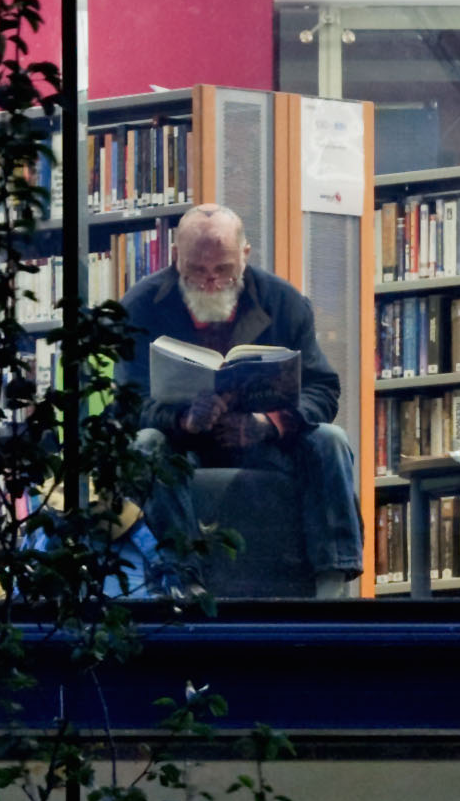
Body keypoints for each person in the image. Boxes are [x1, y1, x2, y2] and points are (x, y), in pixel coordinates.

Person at [118, 198, 360, 597]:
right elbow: (126, 404)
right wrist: (182, 420)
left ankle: (332, 583)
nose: (210, 282)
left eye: (223, 270)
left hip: (264, 442)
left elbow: (323, 389)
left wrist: (269, 424)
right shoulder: (141, 307)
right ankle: (184, 582)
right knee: (145, 445)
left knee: (331, 440)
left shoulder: (283, 302)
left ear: (245, 256)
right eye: (196, 270)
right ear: (176, 257)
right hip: (182, 447)